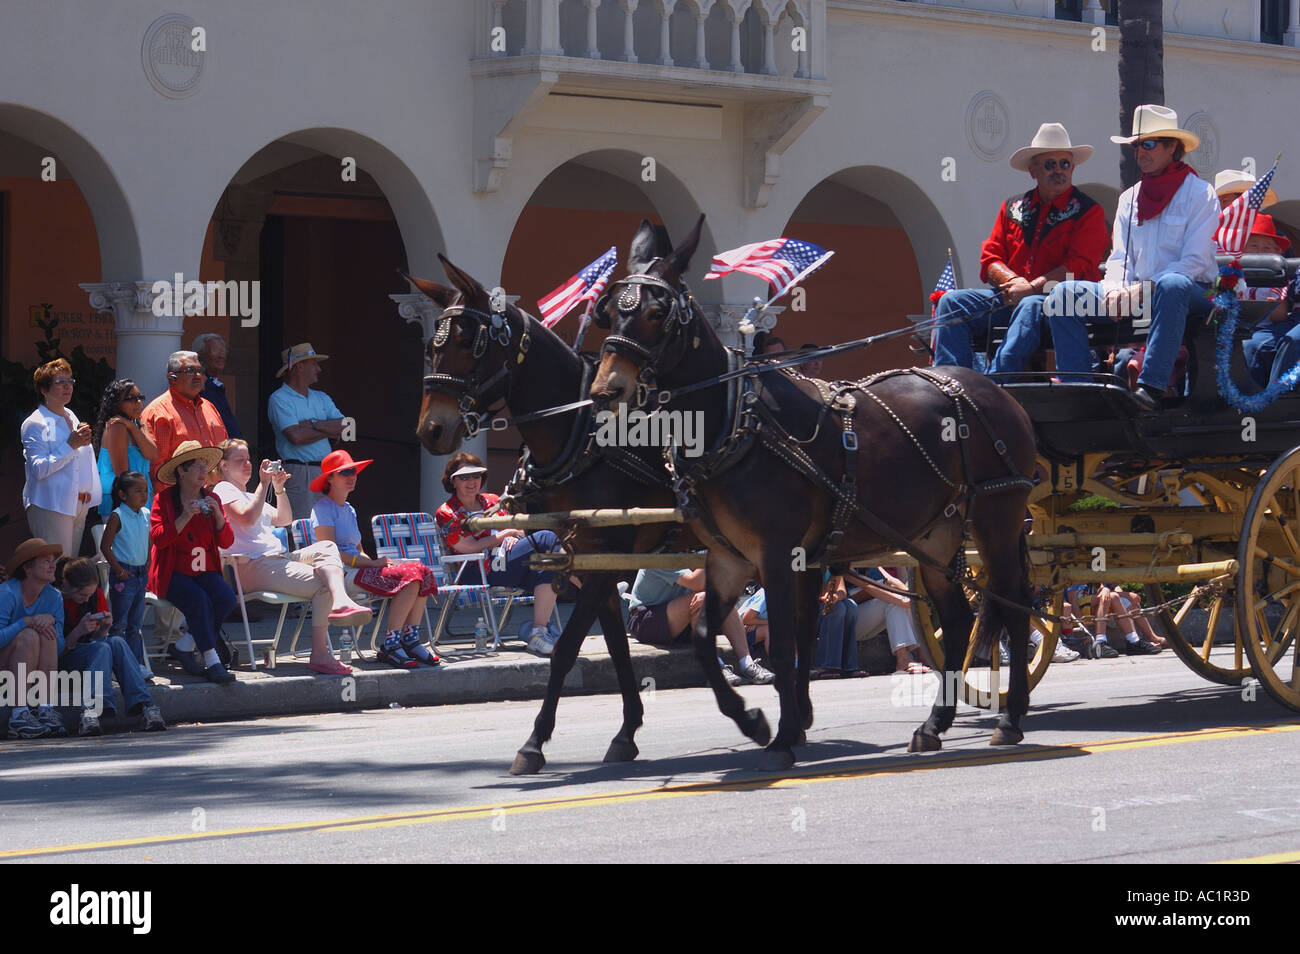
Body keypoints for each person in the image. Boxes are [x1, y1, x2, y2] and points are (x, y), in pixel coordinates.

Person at [1043, 106, 1219, 405]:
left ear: (1172, 147)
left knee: (1172, 284)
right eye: (1136, 145)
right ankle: (1079, 390)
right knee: (1062, 295)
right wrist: (1115, 289)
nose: (1140, 151)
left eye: (1148, 144)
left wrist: (1141, 289)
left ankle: (1151, 387)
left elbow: (1196, 262)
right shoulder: (1130, 197)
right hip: (1137, 293)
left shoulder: (1201, 194)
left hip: (1193, 293)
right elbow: (1119, 258)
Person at [933, 123, 1107, 372]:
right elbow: (990, 258)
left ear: (1073, 168)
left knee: (1029, 305)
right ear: (1032, 170)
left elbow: (1077, 268)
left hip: (1060, 305)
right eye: (1050, 164)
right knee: (951, 302)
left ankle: (994, 385)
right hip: (1012, 297)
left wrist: (1033, 289)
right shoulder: (1011, 207)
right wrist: (1015, 283)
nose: (1059, 170)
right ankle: (953, 384)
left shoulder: (1089, 212)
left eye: (1064, 164)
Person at [212, 439, 375, 675]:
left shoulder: (249, 495)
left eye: (248, 459)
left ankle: (340, 599)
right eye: (240, 460)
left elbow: (285, 519)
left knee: (327, 546)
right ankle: (320, 652)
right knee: (324, 584)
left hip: (277, 559)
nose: (247, 464)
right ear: (224, 466)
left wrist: (278, 488)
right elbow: (247, 518)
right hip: (251, 566)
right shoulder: (224, 489)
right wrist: (264, 483)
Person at [312, 450, 439, 668]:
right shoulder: (322, 508)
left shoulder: (349, 509)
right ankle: (391, 644)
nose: (352, 476)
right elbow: (329, 550)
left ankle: (409, 638)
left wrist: (378, 565)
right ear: (330, 479)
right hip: (338, 573)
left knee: (421, 570)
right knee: (410, 576)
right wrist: (371, 564)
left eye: (354, 471)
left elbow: (358, 550)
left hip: (358, 569)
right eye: (345, 472)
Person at [433, 452, 563, 657]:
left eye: (476, 475)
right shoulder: (447, 512)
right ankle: (591, 584)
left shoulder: (492, 501)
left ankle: (537, 633)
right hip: (476, 569)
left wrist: (515, 537)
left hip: (507, 564)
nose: (472, 481)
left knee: (549, 564)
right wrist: (502, 536)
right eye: (464, 477)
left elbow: (519, 528)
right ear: (453, 481)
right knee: (547, 537)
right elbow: (466, 547)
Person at [149, 441, 239, 684]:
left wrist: (219, 516)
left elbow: (227, 541)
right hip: (172, 573)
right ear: (181, 471)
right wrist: (185, 516)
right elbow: (159, 539)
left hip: (203, 571)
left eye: (205, 467)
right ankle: (212, 661)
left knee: (226, 598)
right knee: (199, 600)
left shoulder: (212, 499)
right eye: (197, 467)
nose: (203, 473)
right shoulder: (164, 499)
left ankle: (185, 645)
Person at [54, 556, 165, 735]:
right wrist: (77, 632)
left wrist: (103, 629)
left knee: (116, 641)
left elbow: (96, 640)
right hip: (64, 663)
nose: (86, 599)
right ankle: (91, 710)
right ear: (65, 584)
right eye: (82, 595)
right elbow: (56, 652)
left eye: (89, 595)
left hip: (91, 658)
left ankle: (146, 706)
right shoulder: (56, 600)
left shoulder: (94, 595)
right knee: (102, 647)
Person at [626, 565, 774, 686]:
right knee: (705, 600)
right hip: (645, 621)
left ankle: (747, 664)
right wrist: (713, 551)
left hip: (681, 622)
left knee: (723, 599)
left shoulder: (694, 553)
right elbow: (696, 583)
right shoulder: (660, 555)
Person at [21, 358, 102, 558]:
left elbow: (76, 460)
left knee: (69, 571)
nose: (68, 386)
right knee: (55, 568)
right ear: (44, 390)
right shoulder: (35, 423)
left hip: (78, 504)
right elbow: (39, 469)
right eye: (60, 382)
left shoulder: (70, 415)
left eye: (70, 381)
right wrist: (71, 445)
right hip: (52, 505)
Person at [268, 342, 348, 521]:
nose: (318, 369)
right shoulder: (279, 398)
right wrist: (328, 429)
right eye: (314, 364)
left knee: (328, 524)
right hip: (298, 472)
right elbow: (295, 437)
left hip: (326, 472)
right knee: (301, 527)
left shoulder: (321, 397)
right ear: (299, 367)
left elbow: (346, 425)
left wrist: (311, 424)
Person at [0, 538, 68, 739]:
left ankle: (45, 708)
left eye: (53, 561)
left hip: (31, 667)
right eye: (45, 561)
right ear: (27, 568)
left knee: (47, 634)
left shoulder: (54, 597)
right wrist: (26, 622)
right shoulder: (7, 593)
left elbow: (60, 646)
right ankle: (19, 713)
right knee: (29, 635)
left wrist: (52, 624)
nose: (53, 565)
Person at [139, 350, 227, 487]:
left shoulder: (210, 407)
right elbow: (156, 470)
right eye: (190, 371)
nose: (198, 376)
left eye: (200, 370)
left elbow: (225, 453)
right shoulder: (159, 413)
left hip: (216, 498)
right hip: (178, 502)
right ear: (172, 377)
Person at [99, 471, 153, 680]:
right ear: (122, 495)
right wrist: (118, 570)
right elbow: (105, 545)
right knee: (119, 623)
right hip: (124, 574)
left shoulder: (146, 514)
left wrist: (147, 560)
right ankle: (117, 665)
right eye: (137, 491)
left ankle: (135, 664)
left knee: (135, 624)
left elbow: (148, 540)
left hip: (140, 574)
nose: (143, 495)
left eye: (145, 490)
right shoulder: (118, 515)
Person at [1240, 215, 1300, 388]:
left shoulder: (1277, 278)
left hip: (1269, 326)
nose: (1259, 251)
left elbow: (1278, 315)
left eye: (1266, 248)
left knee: (1258, 344)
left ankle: (1269, 396)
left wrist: (1270, 304)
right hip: (1239, 327)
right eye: (1254, 246)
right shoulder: (1232, 276)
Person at [845, 568, 931, 674]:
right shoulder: (845, 562)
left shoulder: (872, 560)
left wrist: (917, 601)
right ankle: (904, 659)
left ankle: (921, 655)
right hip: (846, 621)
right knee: (895, 602)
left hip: (870, 617)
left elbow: (891, 581)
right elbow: (862, 588)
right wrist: (900, 599)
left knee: (903, 601)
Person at [94, 378, 157, 515]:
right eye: (131, 399)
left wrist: (133, 428)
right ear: (116, 404)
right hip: (122, 500)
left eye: (140, 397)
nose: (138, 402)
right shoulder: (117, 427)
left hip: (139, 496)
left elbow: (152, 454)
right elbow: (122, 475)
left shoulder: (137, 424)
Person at [193, 333, 243, 439]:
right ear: (200, 355)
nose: (221, 356)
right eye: (215, 351)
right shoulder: (199, 387)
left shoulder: (214, 384)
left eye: (223, 351)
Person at [1213, 168, 1279, 212]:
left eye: (1225, 201)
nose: (1220, 207)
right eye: (1217, 202)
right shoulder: (1212, 227)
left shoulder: (1258, 225)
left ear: (1244, 201)